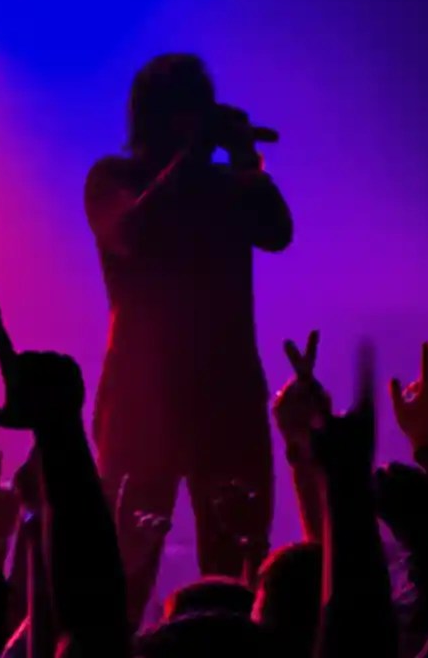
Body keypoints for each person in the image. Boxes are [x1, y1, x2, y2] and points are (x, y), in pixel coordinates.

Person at [84, 53, 293, 613]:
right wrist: (194, 156)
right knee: (122, 568)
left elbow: (277, 232)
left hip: (227, 397)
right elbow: (132, 234)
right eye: (186, 110)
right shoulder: (114, 179)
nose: (196, 122)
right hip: (142, 401)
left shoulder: (224, 185)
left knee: (233, 570)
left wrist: (245, 158)